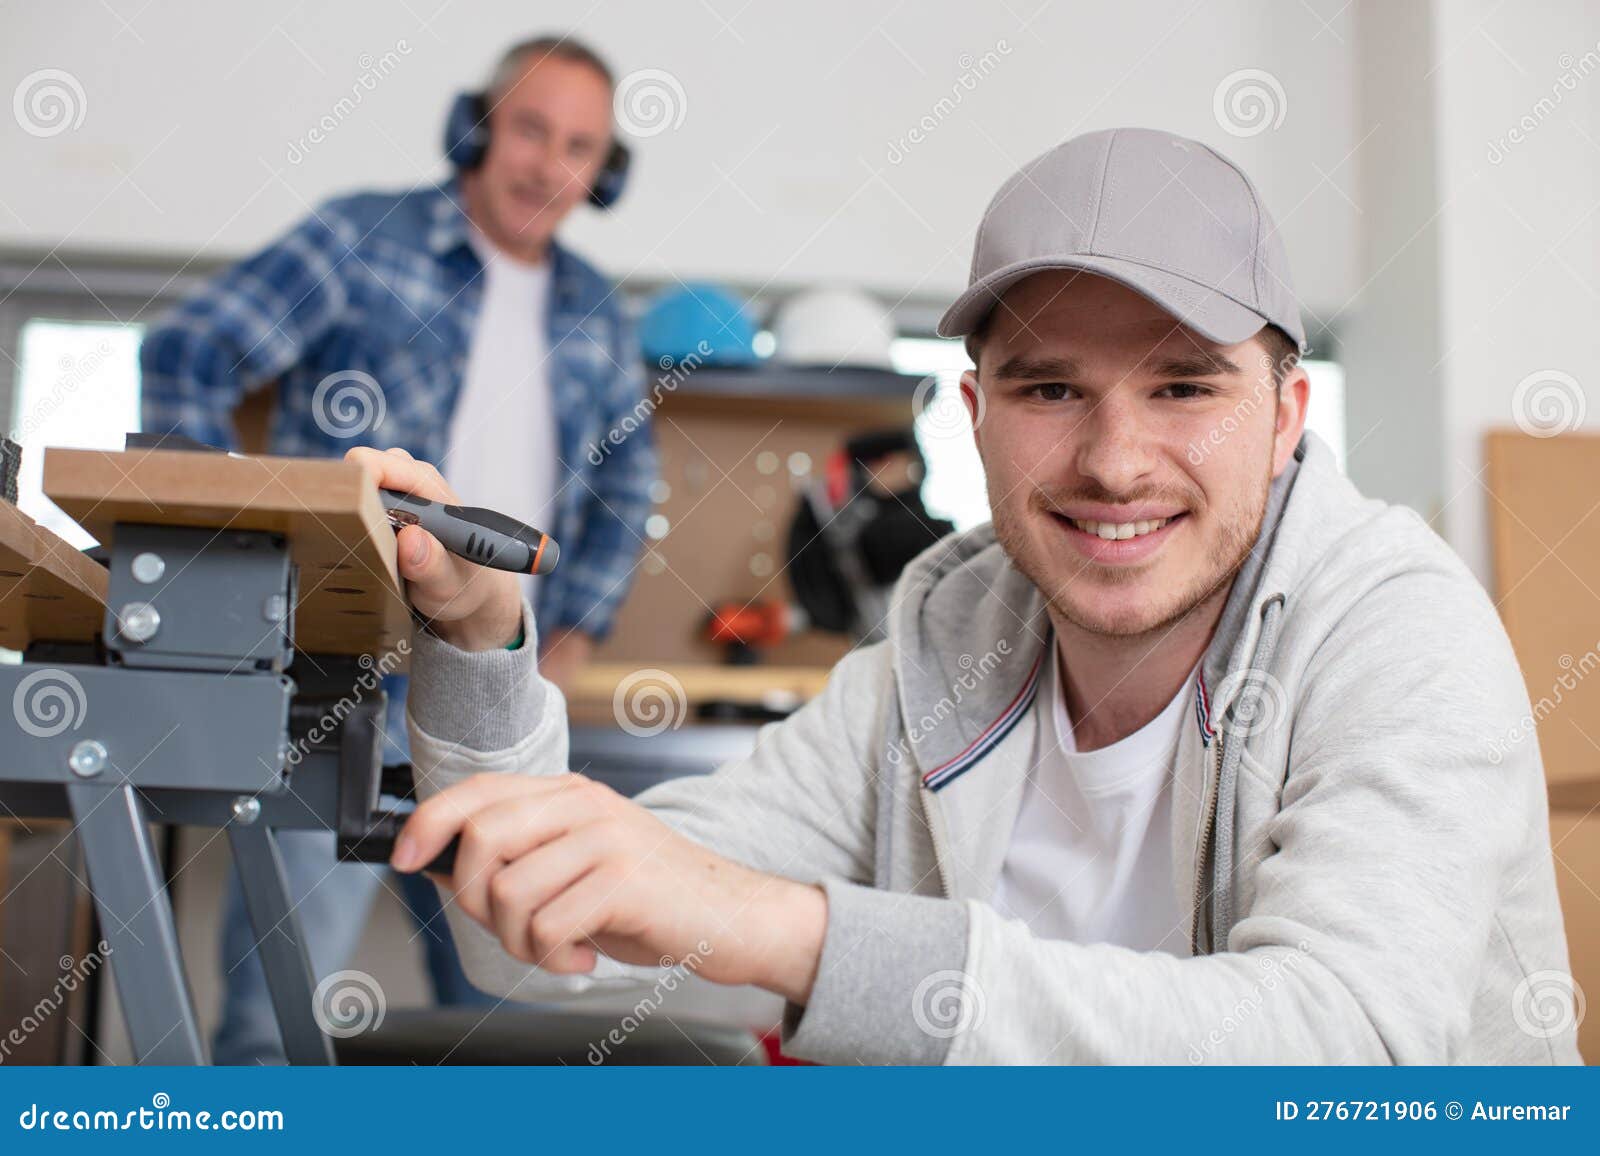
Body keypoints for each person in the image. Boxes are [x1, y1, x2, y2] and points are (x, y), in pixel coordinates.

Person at [362, 128, 1580, 1064]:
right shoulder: (943, 642)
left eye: (1183, 389)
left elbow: (1345, 1057)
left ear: (1285, 419)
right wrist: (476, 638)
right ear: (974, 417)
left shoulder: (1396, 631)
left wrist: (799, 936)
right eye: (1051, 390)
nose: (1114, 460)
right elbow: (535, 945)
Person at [139, 35, 657, 1064]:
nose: (549, 164)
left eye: (581, 146)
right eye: (529, 128)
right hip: (340, 679)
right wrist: (227, 550)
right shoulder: (359, 238)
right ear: (475, 127)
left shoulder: (598, 308)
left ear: (605, 174)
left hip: (496, 701)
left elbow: (629, 485)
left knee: (504, 1017)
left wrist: (575, 632)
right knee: (277, 1024)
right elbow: (188, 352)